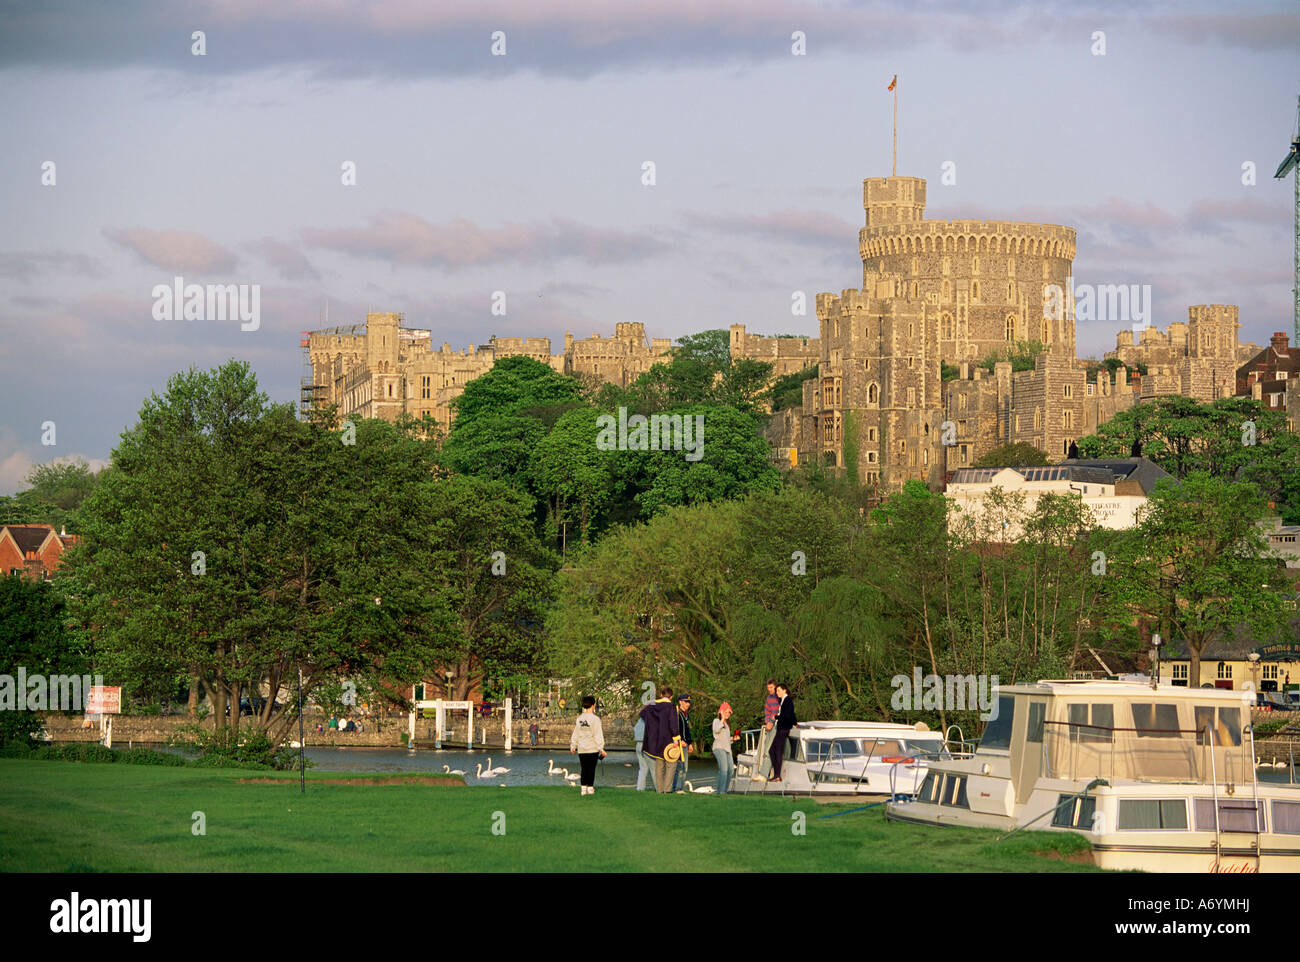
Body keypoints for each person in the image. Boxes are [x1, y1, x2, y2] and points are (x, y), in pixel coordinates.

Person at [639, 685, 681, 793]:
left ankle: (660, 790)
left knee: (659, 765)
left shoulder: (652, 706)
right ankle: (667, 790)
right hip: (668, 739)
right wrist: (676, 739)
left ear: (661, 695)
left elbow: (642, 714)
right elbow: (673, 724)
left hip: (656, 740)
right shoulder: (672, 707)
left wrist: (653, 725)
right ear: (671, 697)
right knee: (671, 766)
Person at [569, 696, 606, 795]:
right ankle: (590, 788)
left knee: (584, 768)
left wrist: (573, 746)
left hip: (582, 748)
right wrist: (601, 748)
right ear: (593, 705)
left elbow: (576, 733)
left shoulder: (580, 719)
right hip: (592, 748)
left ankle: (583, 789)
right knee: (591, 769)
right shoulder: (595, 719)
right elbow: (597, 734)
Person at [768, 684, 797, 782]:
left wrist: (776, 717)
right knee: (773, 750)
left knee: (776, 750)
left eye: (779, 691)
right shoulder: (783, 701)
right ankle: (777, 774)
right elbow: (791, 714)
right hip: (781, 728)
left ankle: (777, 775)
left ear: (784, 690)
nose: (777, 693)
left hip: (783, 729)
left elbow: (787, 715)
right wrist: (795, 723)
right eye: (776, 691)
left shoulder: (787, 700)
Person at [753, 679, 779, 781]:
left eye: (771, 688)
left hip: (776, 725)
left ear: (776, 687)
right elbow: (767, 711)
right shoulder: (769, 698)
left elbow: (778, 712)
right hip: (769, 725)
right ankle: (764, 774)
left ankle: (763, 775)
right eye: (768, 688)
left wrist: (771, 723)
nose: (769, 690)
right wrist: (767, 721)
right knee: (765, 749)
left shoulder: (779, 697)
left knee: (769, 749)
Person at [712, 702, 740, 794]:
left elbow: (726, 739)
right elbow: (716, 730)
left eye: (729, 713)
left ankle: (724, 790)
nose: (727, 714)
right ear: (721, 712)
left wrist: (733, 738)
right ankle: (721, 791)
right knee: (723, 769)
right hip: (719, 748)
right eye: (726, 712)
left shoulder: (727, 725)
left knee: (731, 769)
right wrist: (722, 719)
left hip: (727, 749)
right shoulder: (716, 721)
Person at [671, 694, 694, 793]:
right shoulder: (676, 713)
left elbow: (687, 731)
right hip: (679, 744)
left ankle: (681, 787)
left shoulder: (686, 714)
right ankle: (675, 788)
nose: (688, 704)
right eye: (686, 702)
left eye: (689, 702)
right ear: (680, 702)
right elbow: (674, 729)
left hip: (685, 745)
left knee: (685, 767)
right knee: (679, 767)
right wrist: (680, 740)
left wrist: (690, 743)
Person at [633, 714, 650, 791]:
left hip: (638, 744)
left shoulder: (639, 721)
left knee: (643, 768)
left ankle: (640, 788)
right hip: (647, 745)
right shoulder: (650, 720)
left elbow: (635, 729)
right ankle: (659, 788)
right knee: (655, 768)